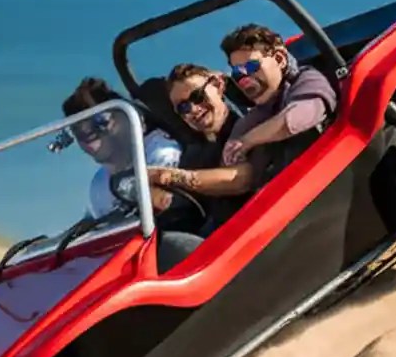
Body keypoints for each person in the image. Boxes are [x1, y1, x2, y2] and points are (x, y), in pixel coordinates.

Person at [218, 24, 338, 184]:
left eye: (252, 66)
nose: (244, 77)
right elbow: (229, 170)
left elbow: (297, 118)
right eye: (237, 72)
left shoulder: (306, 80)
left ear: (280, 59)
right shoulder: (251, 120)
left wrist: (247, 141)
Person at [145, 62, 255, 233]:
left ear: (218, 85)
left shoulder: (251, 121)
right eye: (183, 107)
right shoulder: (196, 155)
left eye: (197, 96)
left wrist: (167, 176)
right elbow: (186, 207)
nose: (194, 109)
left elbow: (243, 179)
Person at [60, 76, 182, 219]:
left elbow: (167, 213)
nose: (89, 134)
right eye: (77, 130)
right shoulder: (99, 184)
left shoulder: (161, 152)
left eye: (100, 122)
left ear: (129, 117)